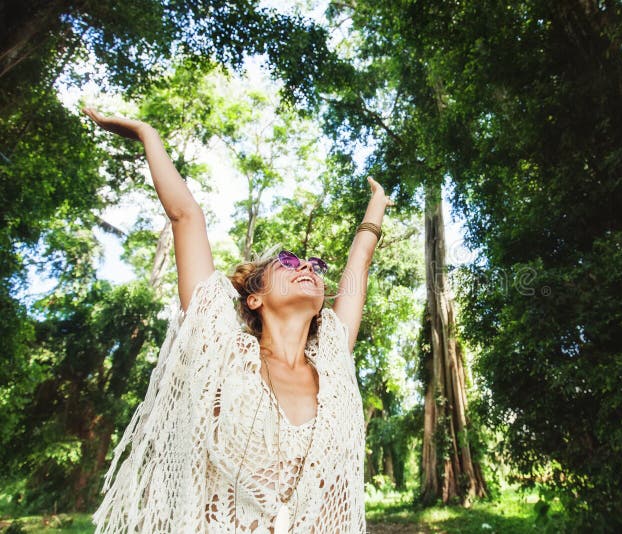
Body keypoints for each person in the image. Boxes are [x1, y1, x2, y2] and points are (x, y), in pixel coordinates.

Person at [83, 107, 393, 533]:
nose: (306, 267)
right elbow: (186, 216)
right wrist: (146, 134)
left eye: (315, 266)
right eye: (288, 262)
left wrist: (376, 207)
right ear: (254, 298)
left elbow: (360, 262)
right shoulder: (222, 348)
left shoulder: (333, 361)